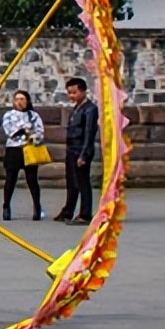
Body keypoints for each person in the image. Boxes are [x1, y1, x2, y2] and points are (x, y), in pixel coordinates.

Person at [56, 77, 99, 225]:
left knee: (82, 182)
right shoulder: (77, 108)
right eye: (69, 93)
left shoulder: (90, 109)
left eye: (74, 92)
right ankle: (68, 210)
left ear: (83, 91)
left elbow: (89, 132)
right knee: (71, 182)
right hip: (72, 148)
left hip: (81, 149)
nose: (72, 96)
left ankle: (85, 213)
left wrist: (84, 154)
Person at [0, 89, 45, 221]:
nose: (19, 102)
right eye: (17, 99)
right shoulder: (9, 115)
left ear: (27, 101)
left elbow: (39, 131)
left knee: (32, 179)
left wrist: (31, 135)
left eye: (22, 99)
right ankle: (6, 206)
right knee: (10, 179)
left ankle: (37, 206)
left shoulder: (33, 115)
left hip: (29, 148)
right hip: (14, 149)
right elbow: (9, 131)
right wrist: (23, 130)